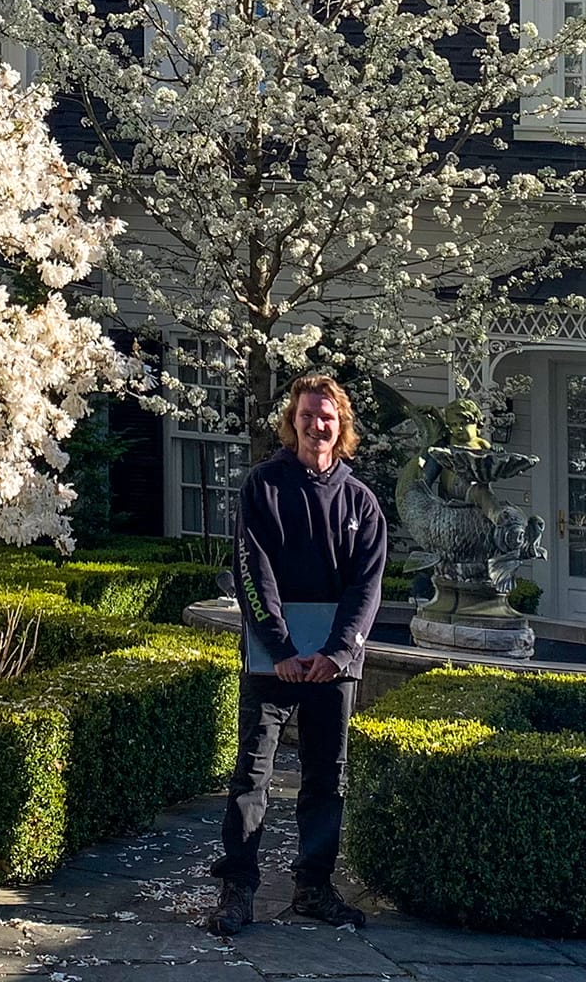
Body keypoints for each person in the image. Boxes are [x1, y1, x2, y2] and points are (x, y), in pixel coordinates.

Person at [208, 373, 387, 937]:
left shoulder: (361, 501)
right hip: (273, 662)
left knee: (326, 779)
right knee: (252, 776)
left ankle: (314, 887)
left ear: (341, 425)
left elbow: (367, 587)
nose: (316, 425)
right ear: (293, 421)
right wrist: (280, 647)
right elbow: (251, 572)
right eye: (307, 415)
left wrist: (338, 652)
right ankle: (238, 889)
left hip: (334, 666)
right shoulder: (263, 487)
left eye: (326, 417)